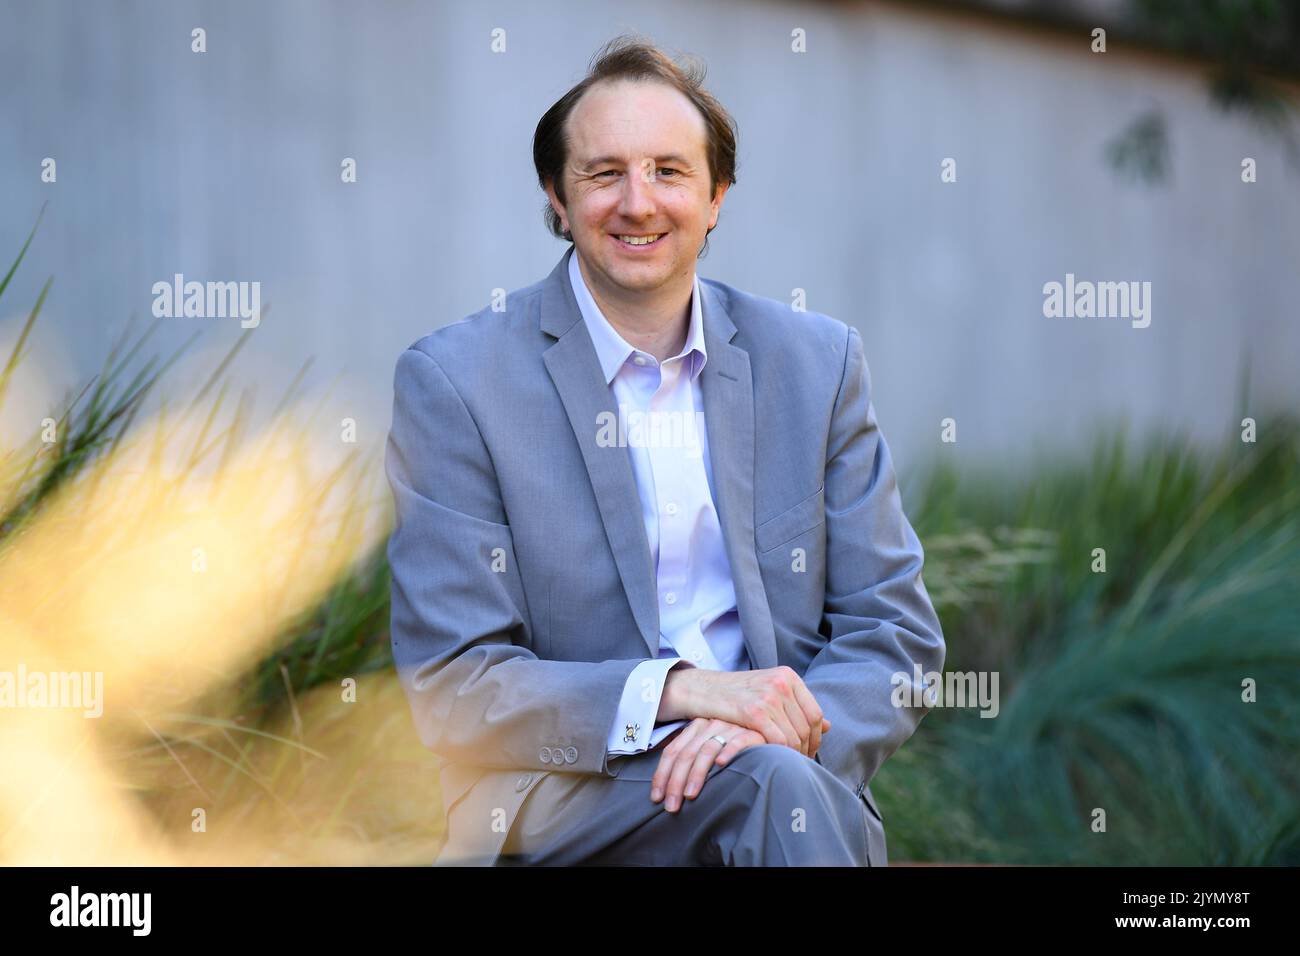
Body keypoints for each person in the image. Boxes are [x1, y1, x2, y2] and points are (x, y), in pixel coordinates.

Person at [384, 36, 945, 866]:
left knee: (772, 786)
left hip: (776, 776)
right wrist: (680, 695)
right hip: (557, 795)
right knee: (771, 788)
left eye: (670, 172)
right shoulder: (458, 383)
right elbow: (455, 682)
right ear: (557, 197)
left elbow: (891, 632)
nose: (638, 203)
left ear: (718, 196)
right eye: (604, 173)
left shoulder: (815, 365)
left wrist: (762, 731)